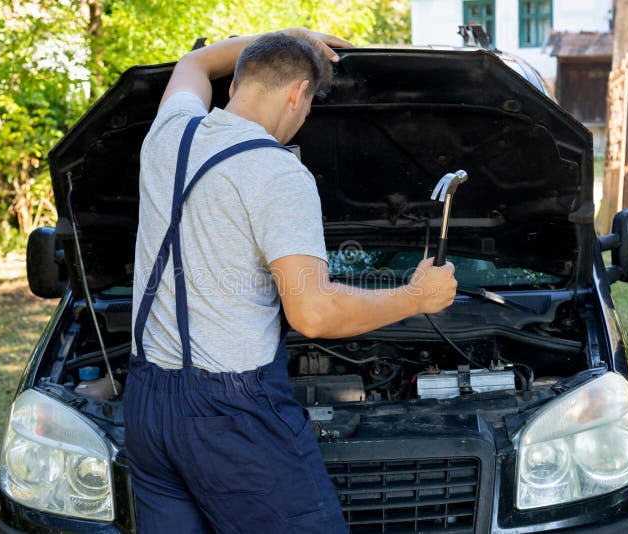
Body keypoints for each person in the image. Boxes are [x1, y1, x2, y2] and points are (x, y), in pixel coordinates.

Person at [123, 28, 458, 533]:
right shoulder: (276, 173)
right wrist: (417, 296)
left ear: (237, 81)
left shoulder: (169, 131)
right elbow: (313, 311)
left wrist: (285, 38)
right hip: (231, 419)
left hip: (147, 404)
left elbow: (192, 65)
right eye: (308, 107)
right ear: (298, 92)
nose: (303, 120)